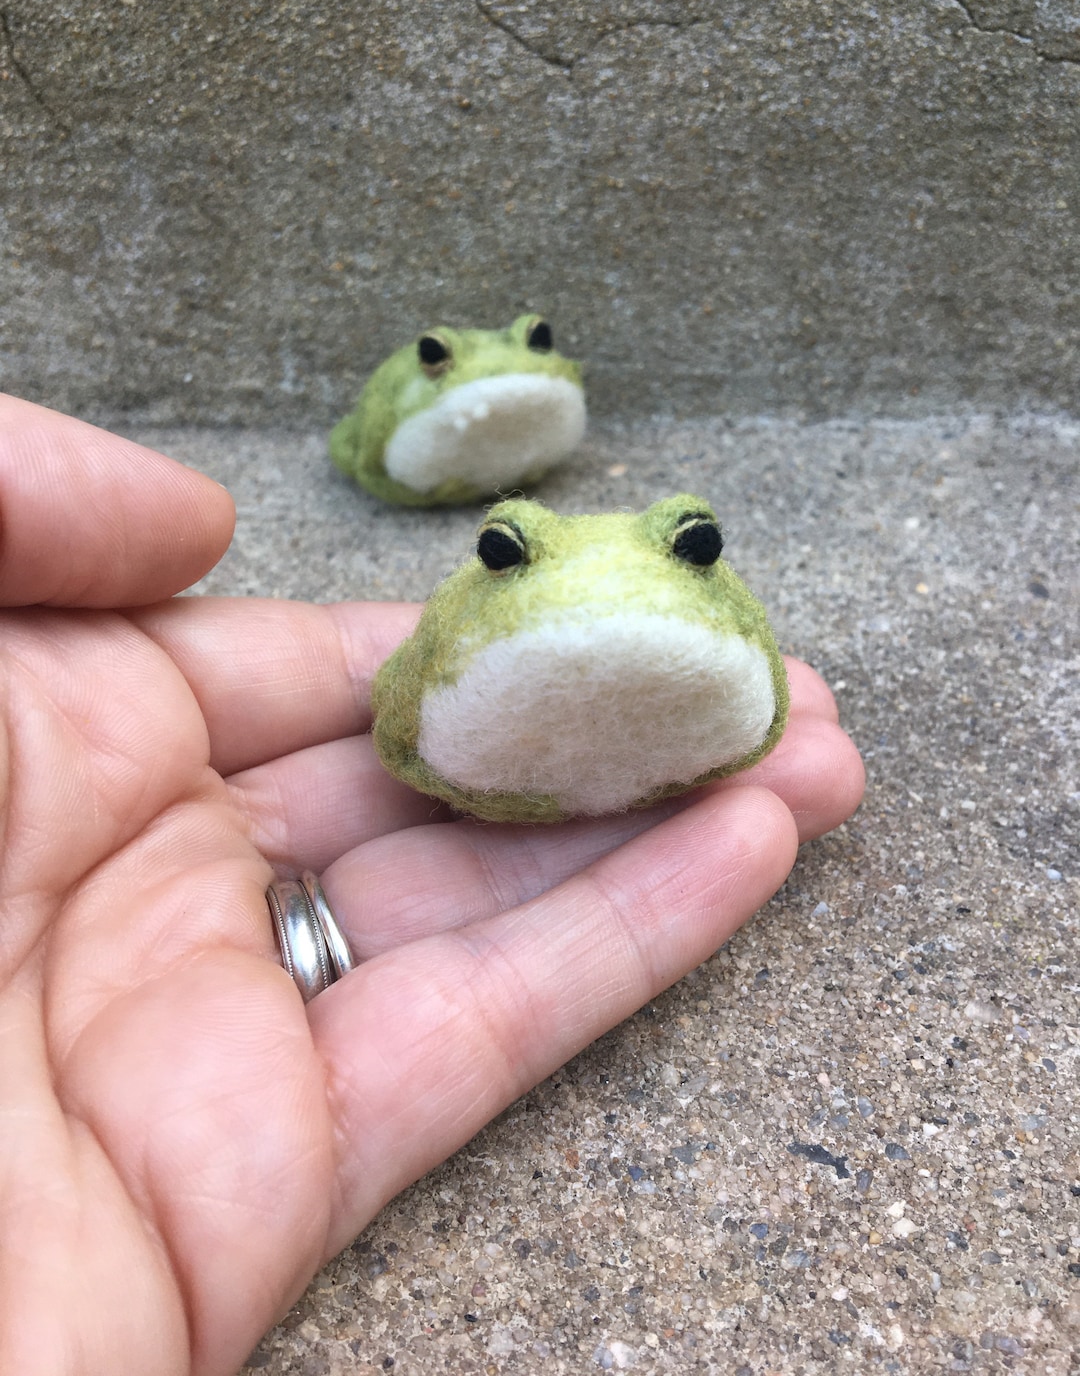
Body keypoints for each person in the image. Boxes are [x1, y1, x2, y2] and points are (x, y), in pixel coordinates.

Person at [0, 392, 864, 1376]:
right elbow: (400, 728)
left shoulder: (726, 664)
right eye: (503, 553)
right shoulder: (435, 668)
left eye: (697, 543)